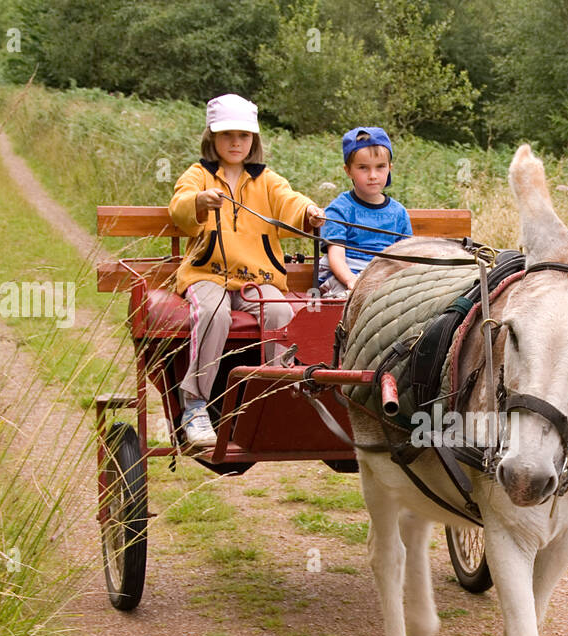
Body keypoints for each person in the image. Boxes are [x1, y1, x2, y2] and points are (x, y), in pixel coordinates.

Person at [169, 93, 324, 446]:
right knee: (212, 313)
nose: (236, 142)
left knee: (280, 311)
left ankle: (276, 402)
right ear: (212, 137)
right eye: (227, 135)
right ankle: (195, 405)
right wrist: (198, 201)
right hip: (207, 275)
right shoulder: (199, 175)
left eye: (243, 135)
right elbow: (178, 206)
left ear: (254, 139)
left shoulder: (267, 179)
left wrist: (309, 211)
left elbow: (290, 200)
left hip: (257, 278)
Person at [316, 127, 412, 296]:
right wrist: (350, 280)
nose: (373, 175)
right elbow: (336, 256)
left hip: (384, 277)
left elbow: (405, 257)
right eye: (363, 168)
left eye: (380, 167)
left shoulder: (399, 213)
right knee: (349, 301)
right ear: (348, 171)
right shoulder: (340, 209)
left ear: (390, 167)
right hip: (346, 274)